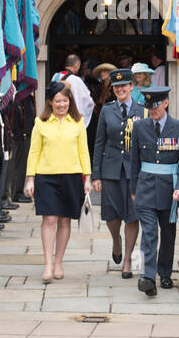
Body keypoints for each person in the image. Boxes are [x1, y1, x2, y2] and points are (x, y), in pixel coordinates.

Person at [126, 86, 179, 297]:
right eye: (148, 107)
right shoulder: (139, 128)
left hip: (169, 189)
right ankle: (147, 276)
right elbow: (134, 160)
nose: (152, 111)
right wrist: (133, 189)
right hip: (145, 187)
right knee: (149, 232)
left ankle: (165, 272)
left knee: (168, 233)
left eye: (155, 106)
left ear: (165, 103)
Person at [25, 82, 91, 282]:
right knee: (49, 219)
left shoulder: (78, 123)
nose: (61, 105)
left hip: (72, 176)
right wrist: (30, 179)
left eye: (64, 101)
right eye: (57, 101)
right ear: (50, 102)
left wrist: (87, 178)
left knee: (64, 220)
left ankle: (58, 262)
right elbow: (34, 152)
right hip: (47, 177)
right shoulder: (41, 123)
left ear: (69, 101)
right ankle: (47, 265)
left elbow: (83, 152)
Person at [92, 68, 142, 278]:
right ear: (112, 89)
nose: (120, 89)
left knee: (132, 215)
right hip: (110, 170)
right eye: (116, 86)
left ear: (131, 86)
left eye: (124, 85)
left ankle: (128, 259)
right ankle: (116, 241)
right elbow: (99, 142)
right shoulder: (107, 110)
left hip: (135, 171)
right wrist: (96, 174)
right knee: (112, 215)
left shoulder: (142, 110)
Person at [8, 92, 36, 204]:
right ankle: (13, 193)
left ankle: (17, 191)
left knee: (21, 163)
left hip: (25, 131)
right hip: (17, 131)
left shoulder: (27, 96)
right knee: (15, 163)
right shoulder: (18, 94)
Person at [59, 54, 94, 128]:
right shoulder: (75, 80)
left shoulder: (56, 76)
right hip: (70, 120)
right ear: (76, 65)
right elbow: (85, 100)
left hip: (57, 117)